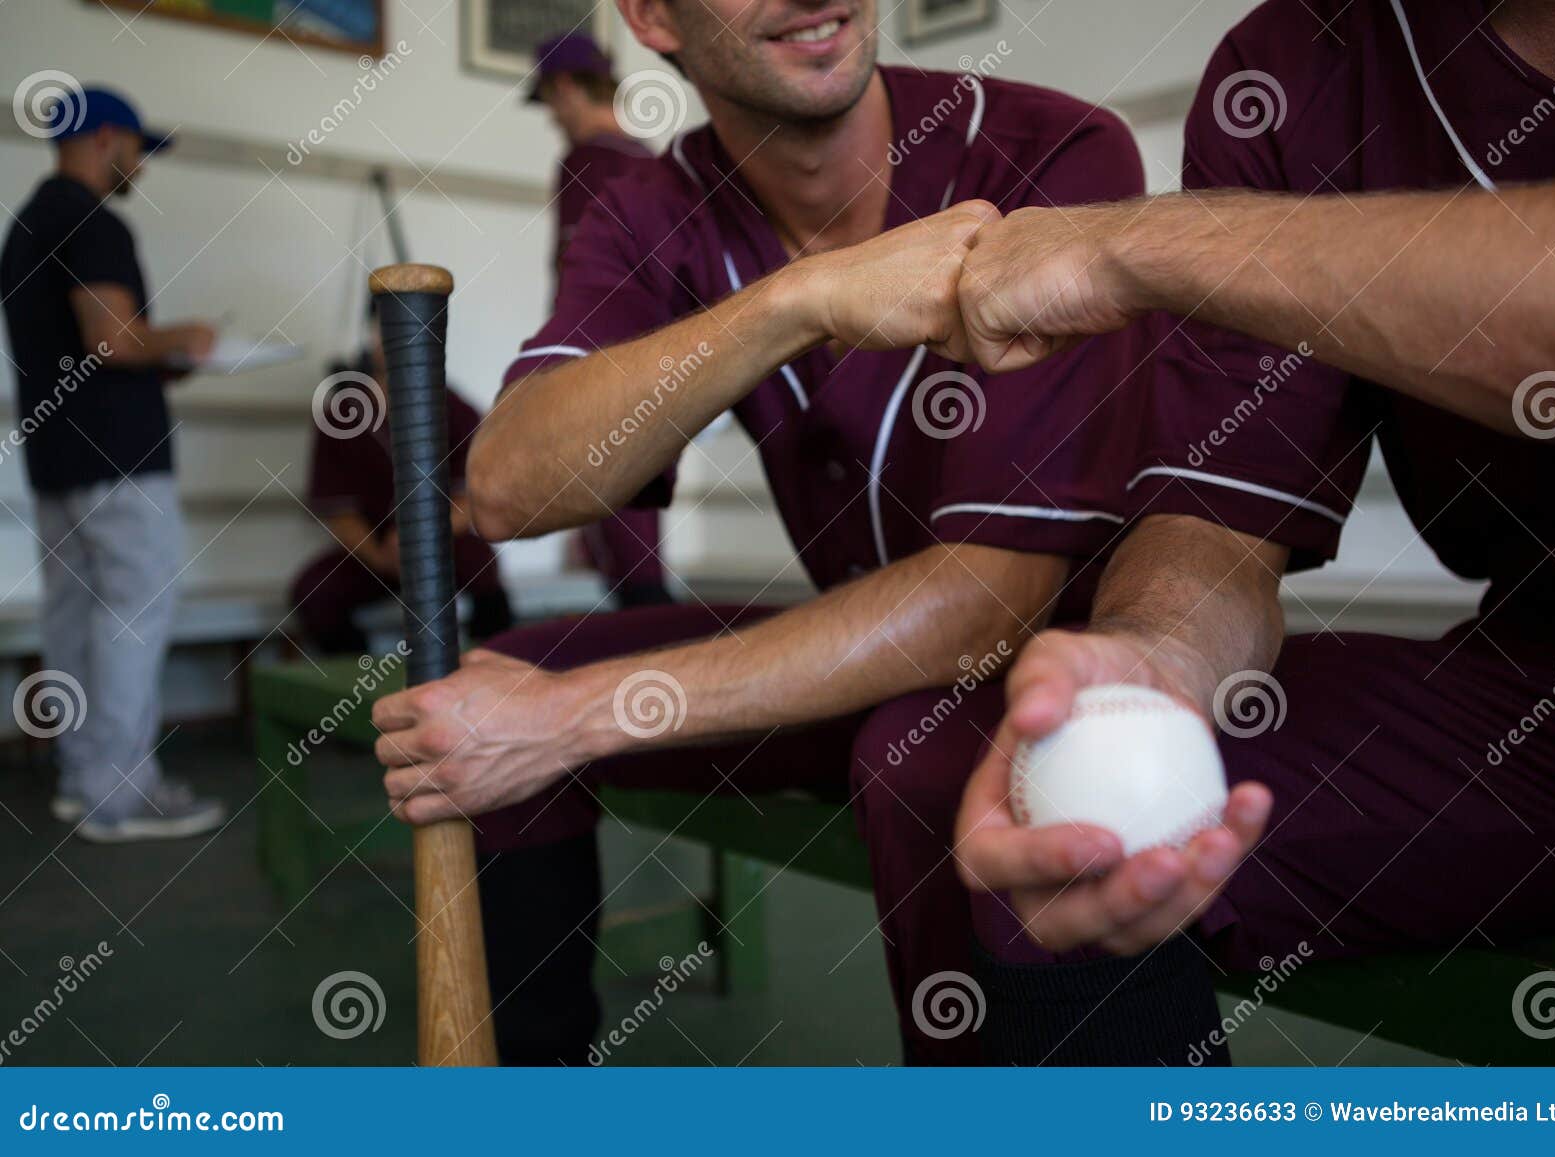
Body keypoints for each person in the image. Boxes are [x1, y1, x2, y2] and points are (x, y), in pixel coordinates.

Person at [373, 0, 1164, 1064]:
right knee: (492, 689)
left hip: (1065, 677)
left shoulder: (1051, 150)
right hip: (862, 651)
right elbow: (512, 483)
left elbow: (994, 602)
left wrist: (575, 715)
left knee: (917, 758)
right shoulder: (655, 199)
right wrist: (800, 299)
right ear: (650, 18)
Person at [944, 0, 1555, 1064]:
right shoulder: (1297, 61)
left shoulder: (1131, 216)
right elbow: (1220, 513)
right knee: (1057, 826)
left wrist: (1138, 243)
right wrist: (1154, 657)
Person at [0, 87, 225, 843]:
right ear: (105, 139)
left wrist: (159, 359)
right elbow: (112, 339)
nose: (140, 167)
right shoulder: (94, 222)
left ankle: (83, 779)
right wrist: (185, 339)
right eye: (136, 149)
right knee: (132, 614)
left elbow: (79, 347)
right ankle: (123, 797)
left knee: (73, 619)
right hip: (122, 460)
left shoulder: (26, 225)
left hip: (56, 458)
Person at [530, 33, 673, 608]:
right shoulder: (654, 161)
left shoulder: (584, 162)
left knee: (631, 569)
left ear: (566, 87)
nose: (553, 118)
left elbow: (576, 284)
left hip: (602, 369)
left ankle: (656, 670)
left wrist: (550, 370)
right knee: (640, 530)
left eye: (549, 101)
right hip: (664, 361)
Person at [290, 310, 511, 654]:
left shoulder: (456, 411)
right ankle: (358, 693)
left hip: (441, 543)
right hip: (373, 550)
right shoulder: (342, 414)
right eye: (387, 326)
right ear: (371, 332)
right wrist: (380, 556)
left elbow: (471, 500)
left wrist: (421, 540)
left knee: (482, 569)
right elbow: (338, 512)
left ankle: (495, 673)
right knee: (314, 592)